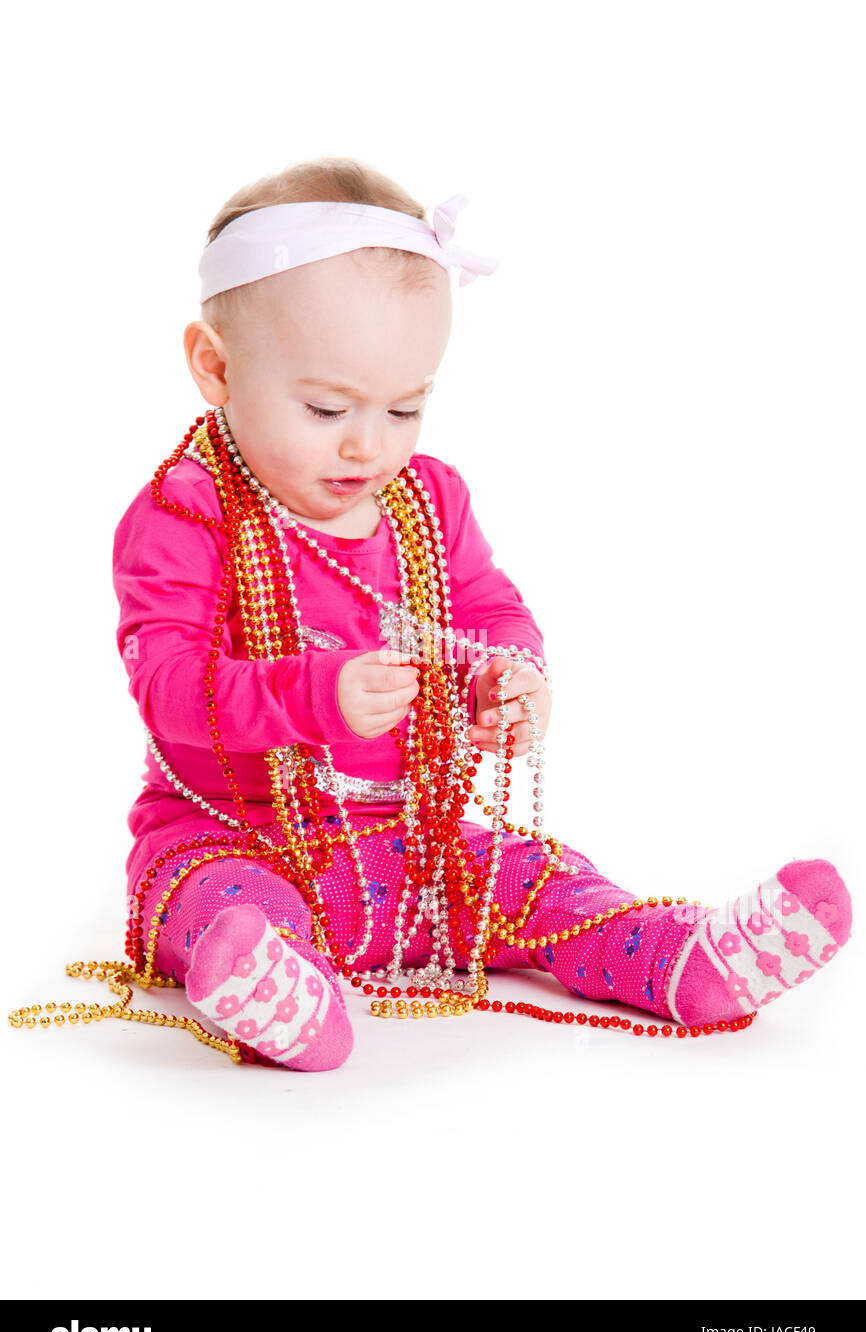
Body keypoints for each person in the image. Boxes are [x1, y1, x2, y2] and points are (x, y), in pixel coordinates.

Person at [110, 156, 851, 1070]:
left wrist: (507, 676)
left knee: (539, 879)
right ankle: (276, 989)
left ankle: (678, 957)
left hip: (410, 848)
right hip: (239, 835)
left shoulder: (430, 498)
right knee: (217, 905)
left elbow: (491, 609)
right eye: (326, 406)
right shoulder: (186, 516)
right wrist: (316, 694)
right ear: (215, 368)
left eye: (406, 407)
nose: (366, 442)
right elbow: (170, 687)